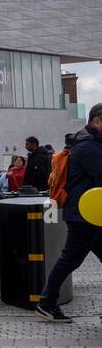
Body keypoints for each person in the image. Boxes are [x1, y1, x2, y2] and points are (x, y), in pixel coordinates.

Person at [38, 106, 102, 322]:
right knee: (69, 259)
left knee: (69, 259)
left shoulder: (89, 144)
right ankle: (47, 302)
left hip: (91, 213)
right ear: (97, 121)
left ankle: (47, 302)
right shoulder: (87, 147)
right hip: (84, 215)